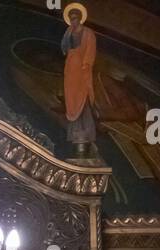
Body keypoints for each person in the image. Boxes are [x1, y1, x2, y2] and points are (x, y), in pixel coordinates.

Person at [61, 5, 98, 157]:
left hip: (82, 70)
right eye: (71, 19)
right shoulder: (68, 32)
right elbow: (64, 49)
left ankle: (86, 135)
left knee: (83, 98)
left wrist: (85, 65)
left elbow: (90, 50)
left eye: (75, 18)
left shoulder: (87, 33)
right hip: (70, 69)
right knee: (72, 99)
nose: (73, 21)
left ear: (80, 18)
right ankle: (75, 133)